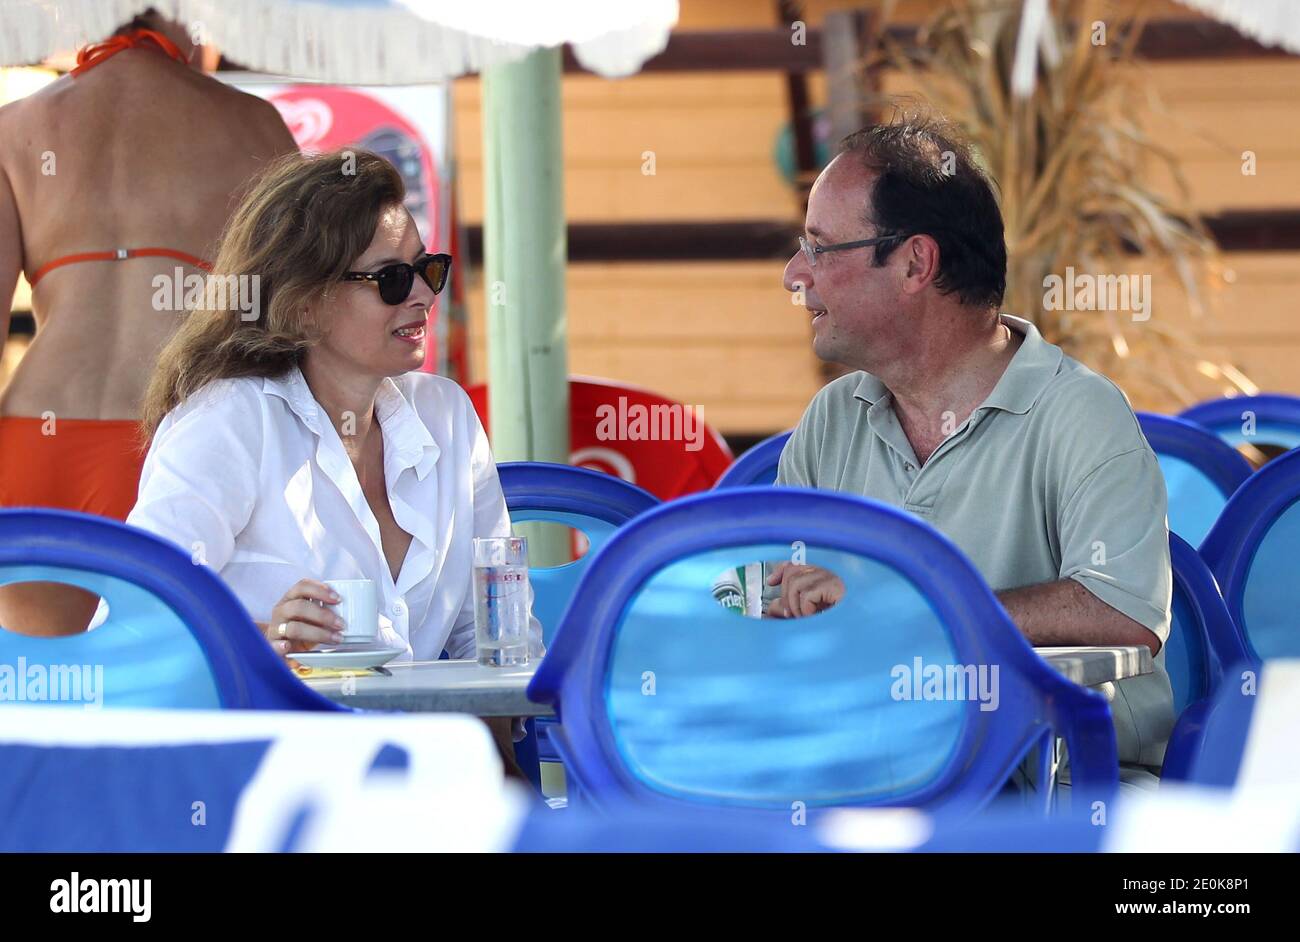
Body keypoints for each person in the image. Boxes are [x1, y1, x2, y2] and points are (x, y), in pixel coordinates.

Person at [770, 118, 1174, 786]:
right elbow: (764, 590)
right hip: (876, 780)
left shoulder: (1081, 414)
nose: (793, 275)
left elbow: (1125, 614)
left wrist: (903, 603)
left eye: (819, 247)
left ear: (913, 264)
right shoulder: (831, 421)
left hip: (1062, 793)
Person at [127, 148, 536, 772]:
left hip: (416, 788)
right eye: (392, 280)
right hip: (265, 788)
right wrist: (267, 645)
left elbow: (495, 647)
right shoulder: (230, 422)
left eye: (429, 268)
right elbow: (133, 623)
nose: (423, 296)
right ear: (304, 302)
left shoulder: (447, 416)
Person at [0, 10, 297, 634]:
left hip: (34, 441)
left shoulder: (16, 127)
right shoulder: (250, 123)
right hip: (175, 434)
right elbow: (288, 317)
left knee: (48, 686)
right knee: (163, 682)